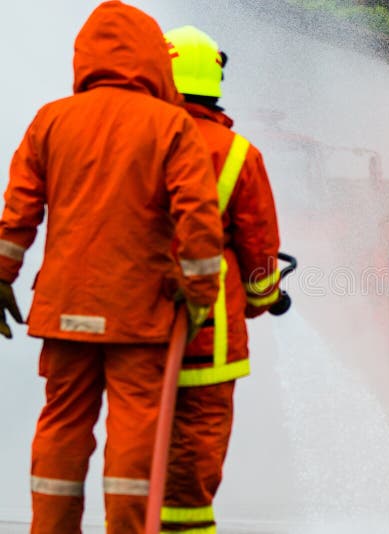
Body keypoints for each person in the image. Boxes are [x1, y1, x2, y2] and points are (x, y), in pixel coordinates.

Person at [0, 2, 223, 532]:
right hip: (139, 315)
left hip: (64, 310)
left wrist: (1, 276)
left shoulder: (51, 119)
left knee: (61, 424)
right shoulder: (171, 125)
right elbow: (198, 220)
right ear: (154, 59)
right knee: (134, 434)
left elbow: (18, 212)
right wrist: (199, 293)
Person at [161, 25, 282, 533]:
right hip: (210, 337)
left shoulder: (137, 141)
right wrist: (263, 299)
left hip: (136, 330)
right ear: (215, 78)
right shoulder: (237, 154)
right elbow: (259, 251)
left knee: (138, 450)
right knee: (197, 447)